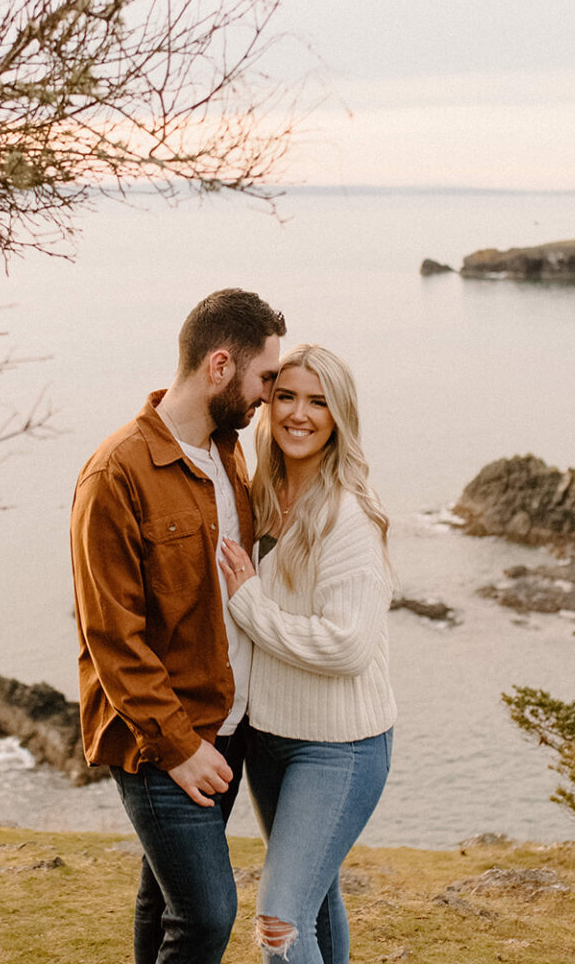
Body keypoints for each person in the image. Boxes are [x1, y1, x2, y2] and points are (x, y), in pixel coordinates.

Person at [71, 288, 286, 964]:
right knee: (207, 914)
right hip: (161, 738)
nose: (269, 397)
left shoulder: (230, 455)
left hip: (226, 727)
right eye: (265, 378)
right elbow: (111, 635)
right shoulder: (116, 473)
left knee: (163, 902)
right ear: (220, 366)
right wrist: (179, 746)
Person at [217, 344, 395, 964]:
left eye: (318, 402)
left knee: (280, 922)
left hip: (339, 748)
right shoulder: (260, 496)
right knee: (315, 904)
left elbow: (348, 646)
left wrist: (249, 604)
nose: (299, 413)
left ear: (339, 416)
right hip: (269, 740)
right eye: (286, 396)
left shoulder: (350, 515)